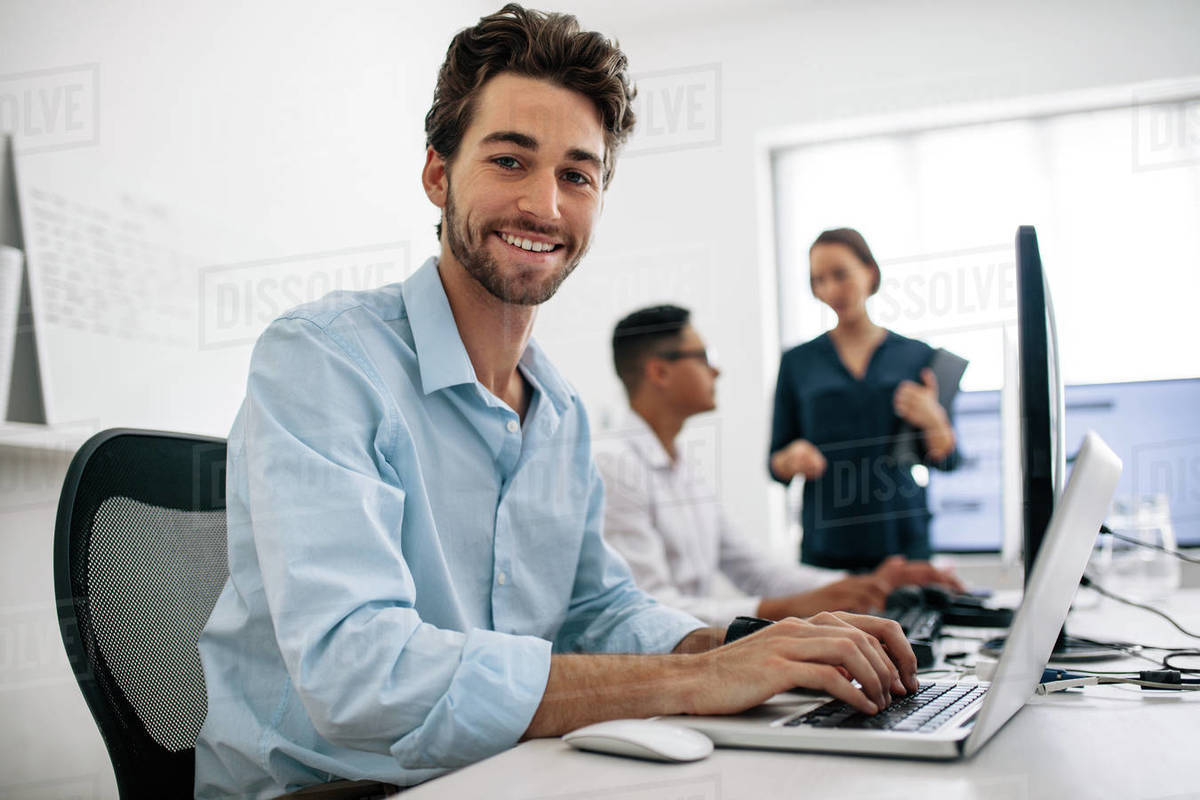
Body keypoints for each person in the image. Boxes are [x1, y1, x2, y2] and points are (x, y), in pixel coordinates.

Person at [195, 9, 918, 798]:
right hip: (333, 789)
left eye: (577, 175)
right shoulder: (324, 360)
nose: (544, 206)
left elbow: (598, 608)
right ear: (438, 174)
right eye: (510, 160)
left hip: (505, 773)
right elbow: (358, 672)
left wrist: (745, 647)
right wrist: (695, 682)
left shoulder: (560, 411)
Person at [597, 304, 963, 629]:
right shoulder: (616, 468)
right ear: (660, 372)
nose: (717, 370)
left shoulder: (682, 466)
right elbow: (653, 610)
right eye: (704, 356)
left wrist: (865, 583)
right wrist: (789, 609)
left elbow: (755, 570)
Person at [769, 228, 960, 571]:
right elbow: (775, 463)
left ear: (869, 271)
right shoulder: (798, 363)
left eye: (840, 275)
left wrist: (934, 420)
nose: (830, 290)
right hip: (826, 547)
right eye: (819, 280)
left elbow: (948, 460)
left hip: (903, 543)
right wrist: (791, 458)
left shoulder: (918, 357)